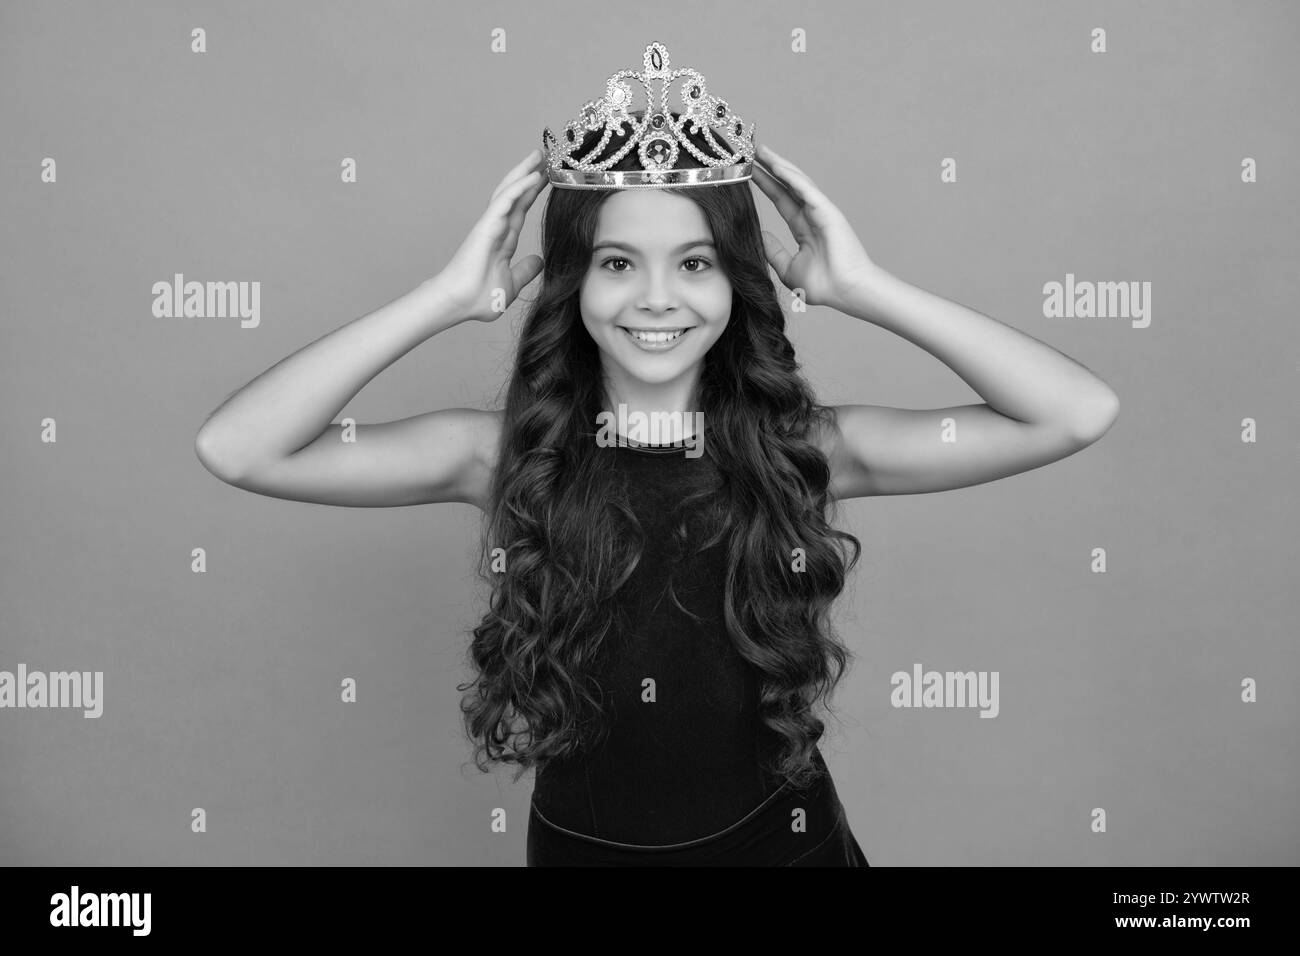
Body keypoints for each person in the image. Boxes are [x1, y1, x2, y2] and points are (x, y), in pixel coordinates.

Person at [195, 44, 1119, 866]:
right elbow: (238, 448)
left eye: (694, 262)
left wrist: (863, 287)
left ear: (734, 279)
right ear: (571, 279)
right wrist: (446, 296)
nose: (656, 299)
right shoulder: (498, 456)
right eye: (616, 262)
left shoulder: (800, 449)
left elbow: (1073, 413)